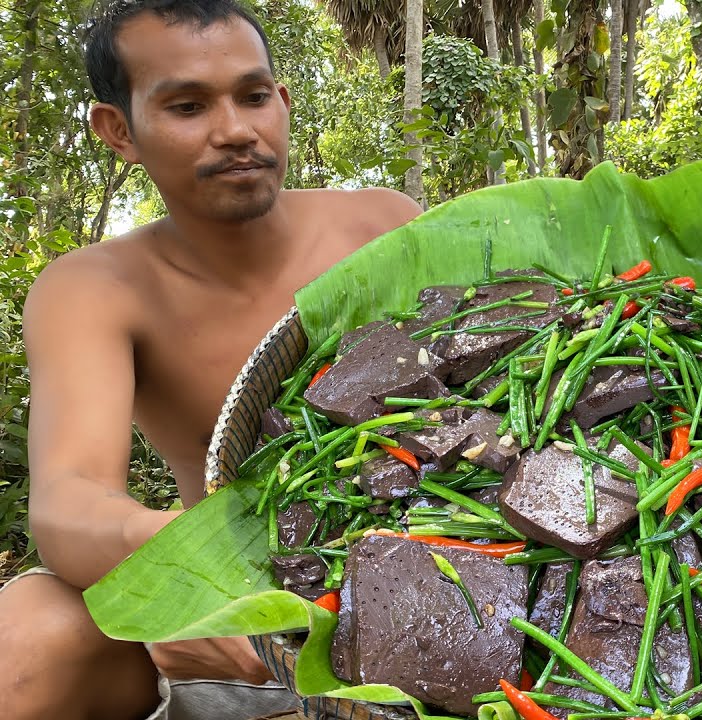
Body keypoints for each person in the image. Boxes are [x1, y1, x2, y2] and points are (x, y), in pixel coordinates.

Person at [0, 1, 424, 718]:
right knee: (31, 631)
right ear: (118, 130)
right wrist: (178, 574)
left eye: (253, 97)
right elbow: (68, 500)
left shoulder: (382, 226)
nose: (235, 131)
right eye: (188, 106)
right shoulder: (95, 288)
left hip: (438, 594)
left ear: (282, 103)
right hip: (241, 642)